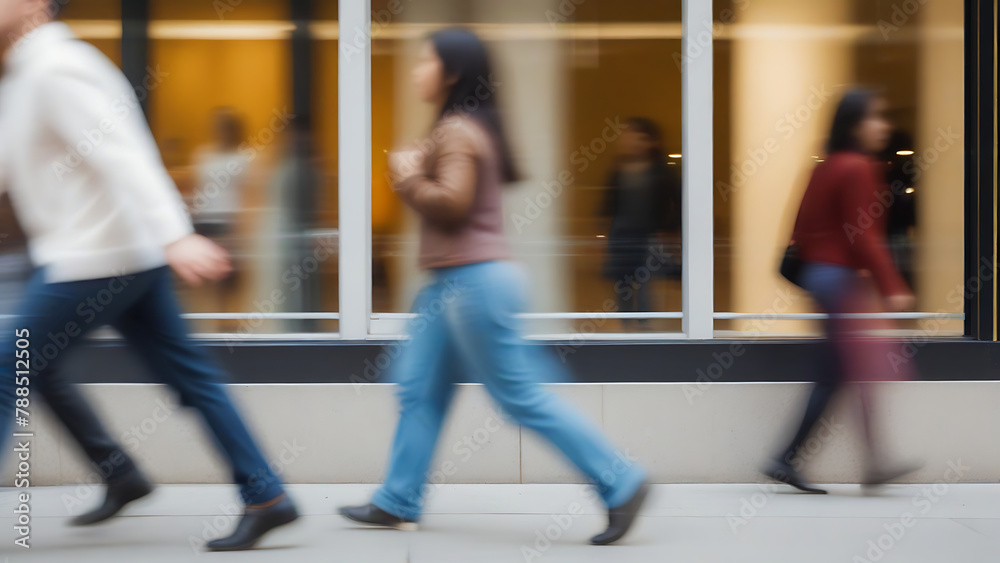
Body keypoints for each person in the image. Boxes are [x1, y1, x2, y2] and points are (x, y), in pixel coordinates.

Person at [0, 0, 297, 550]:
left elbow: (124, 155)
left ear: (36, 5)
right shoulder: (25, 74)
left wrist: (175, 233)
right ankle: (261, 494)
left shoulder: (57, 67)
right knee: (187, 377)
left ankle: (138, 474)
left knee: (10, 362)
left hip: (94, 259)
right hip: (121, 256)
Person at [337, 28, 649, 546]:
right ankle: (397, 499)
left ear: (452, 73)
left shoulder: (458, 130)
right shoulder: (463, 128)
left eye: (425, 61)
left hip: (472, 283)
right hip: (451, 284)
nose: (416, 70)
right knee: (419, 389)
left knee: (518, 396)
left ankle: (621, 481)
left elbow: (453, 203)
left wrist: (407, 177)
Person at [764, 89, 921, 493]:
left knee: (850, 369)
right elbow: (865, 236)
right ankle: (789, 457)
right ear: (855, 124)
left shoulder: (825, 166)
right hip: (839, 279)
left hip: (821, 276)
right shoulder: (857, 167)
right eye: (876, 117)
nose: (883, 126)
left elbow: (799, 228)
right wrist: (893, 285)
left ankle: (870, 462)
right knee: (842, 370)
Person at [601, 117, 681, 331]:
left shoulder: (662, 170)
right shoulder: (619, 170)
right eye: (628, 136)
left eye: (639, 137)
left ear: (651, 141)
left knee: (646, 283)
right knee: (623, 284)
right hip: (621, 235)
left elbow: (677, 201)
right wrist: (601, 234)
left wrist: (670, 232)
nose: (632, 141)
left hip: (650, 236)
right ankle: (626, 325)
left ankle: (645, 327)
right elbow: (608, 205)